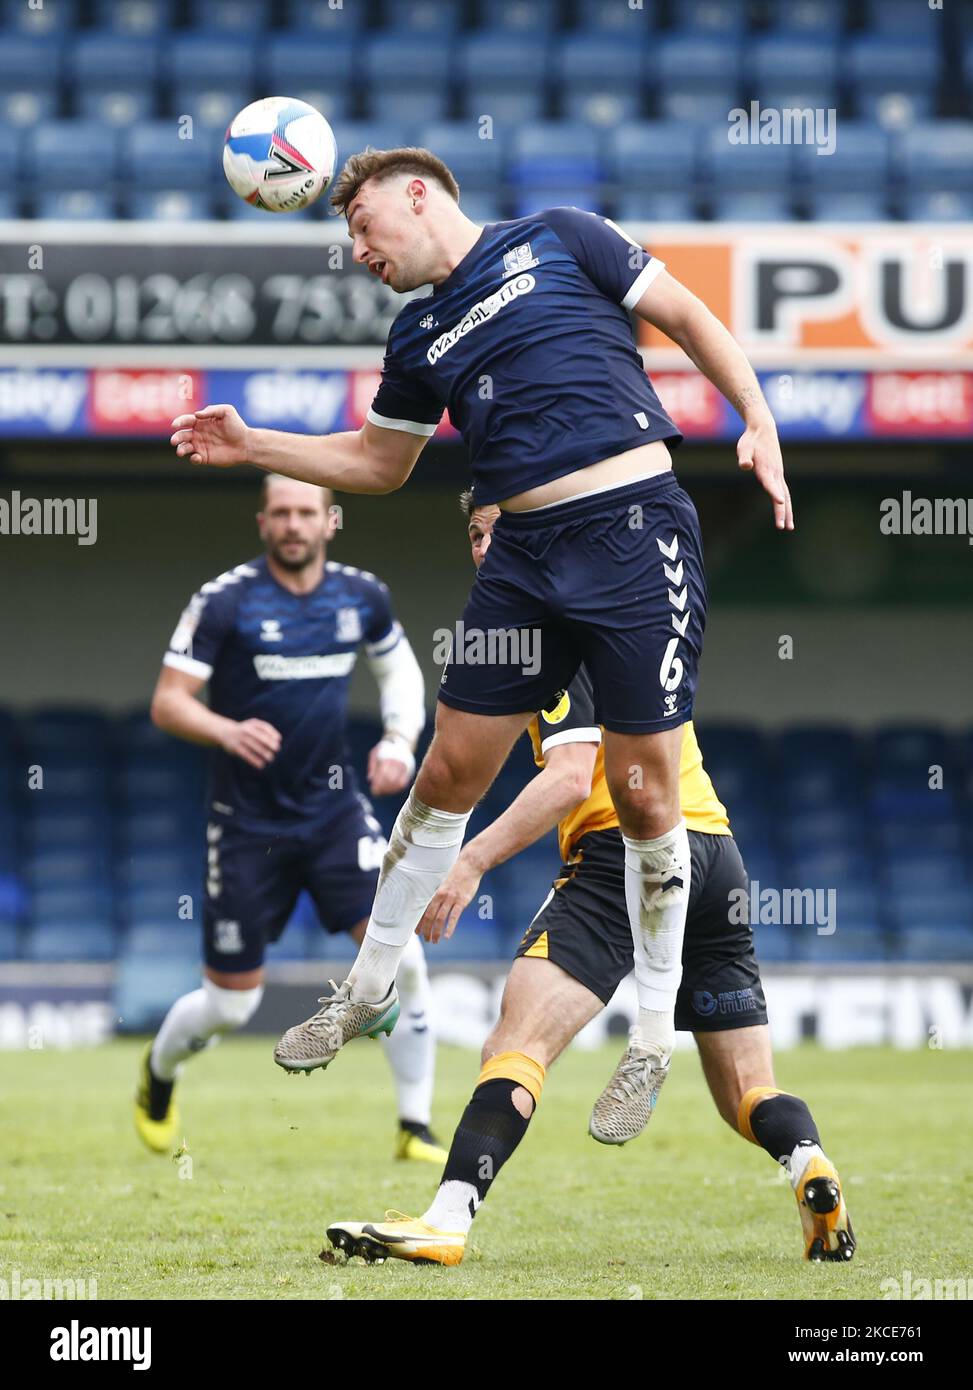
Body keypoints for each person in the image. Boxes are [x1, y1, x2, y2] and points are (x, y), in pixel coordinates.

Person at [169, 147, 792, 1127]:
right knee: (446, 771)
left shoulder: (561, 236)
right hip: (524, 553)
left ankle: (651, 1034)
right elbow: (377, 462)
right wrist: (255, 444)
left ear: (418, 195)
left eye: (362, 228)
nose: (358, 252)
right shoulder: (417, 333)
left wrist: (755, 417)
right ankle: (367, 988)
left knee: (641, 794)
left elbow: (688, 315)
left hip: (632, 530)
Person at [321, 497, 853, 1269]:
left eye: (499, 529)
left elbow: (570, 778)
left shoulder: (549, 631)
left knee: (515, 1044)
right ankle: (810, 1165)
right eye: (472, 533)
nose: (483, 547)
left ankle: (444, 1218)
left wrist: (468, 860)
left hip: (623, 858)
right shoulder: (620, 604)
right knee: (745, 1091)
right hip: (713, 854)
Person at [135, 473, 447, 1166]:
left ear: (330, 521)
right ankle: (157, 1078)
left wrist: (398, 740)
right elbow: (168, 702)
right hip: (245, 827)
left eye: (306, 512)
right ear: (262, 522)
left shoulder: (361, 595)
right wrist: (225, 730)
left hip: (334, 815)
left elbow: (401, 674)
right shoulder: (225, 601)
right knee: (230, 1006)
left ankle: (414, 1125)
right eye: (281, 512)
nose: (294, 524)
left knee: (407, 957)